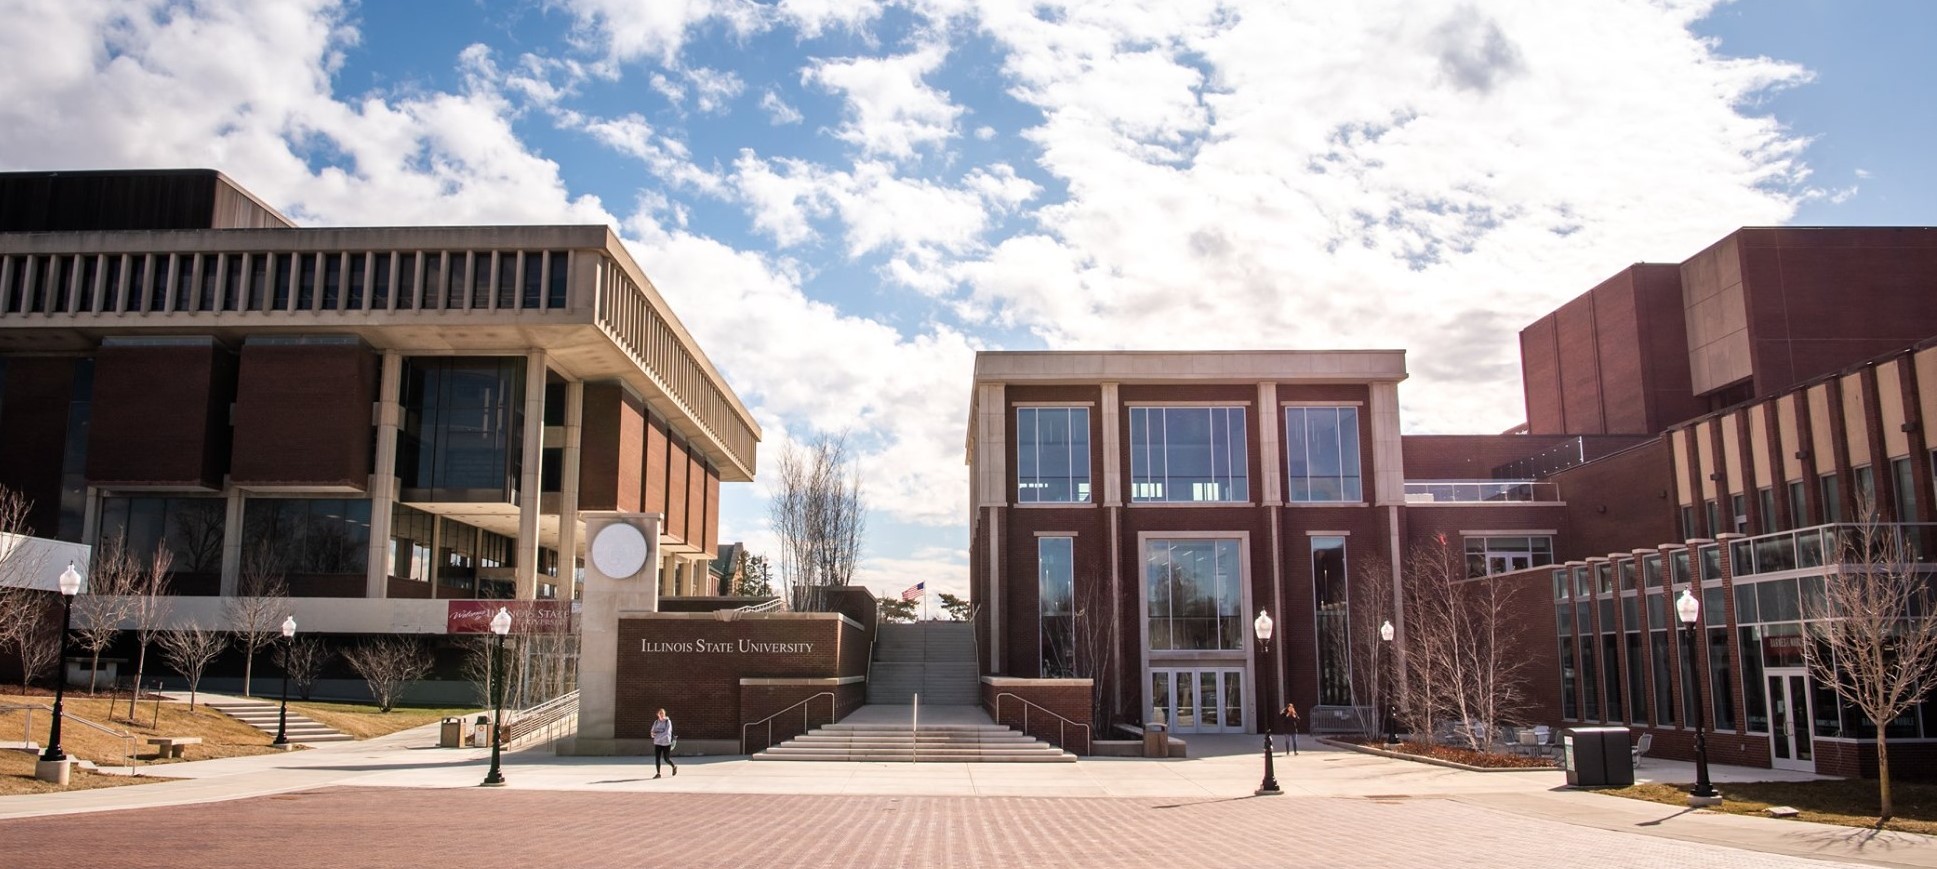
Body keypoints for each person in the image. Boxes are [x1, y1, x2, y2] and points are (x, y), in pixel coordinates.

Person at [651, 707, 678, 778]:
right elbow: (652, 732)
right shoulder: (656, 722)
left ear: (664, 714)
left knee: (666, 759)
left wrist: (658, 735)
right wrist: (653, 734)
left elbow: (667, 733)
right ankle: (658, 773)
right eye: (660, 713)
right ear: (658, 714)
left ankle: (674, 766)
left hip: (666, 743)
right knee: (657, 758)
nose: (661, 715)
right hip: (657, 743)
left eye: (662, 713)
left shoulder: (667, 721)